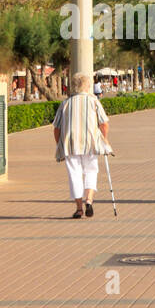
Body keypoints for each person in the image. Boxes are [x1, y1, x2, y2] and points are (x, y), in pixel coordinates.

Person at [51, 73, 112, 219]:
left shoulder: (65, 103)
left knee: (74, 175)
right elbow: (103, 123)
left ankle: (79, 209)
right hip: (90, 143)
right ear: (88, 86)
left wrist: (59, 143)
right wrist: (105, 139)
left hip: (70, 144)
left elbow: (56, 128)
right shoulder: (94, 101)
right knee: (91, 171)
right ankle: (89, 200)